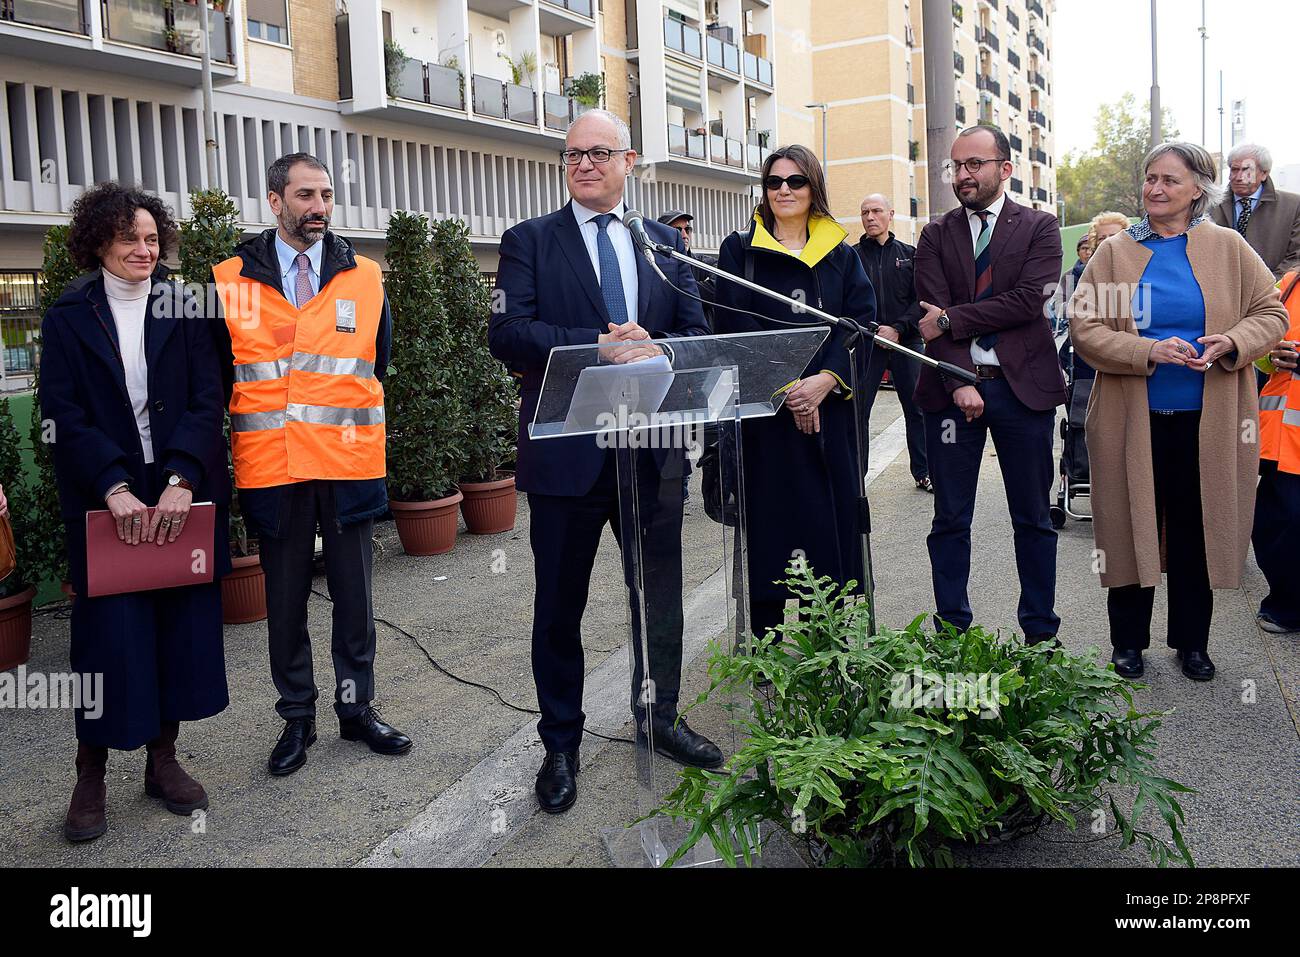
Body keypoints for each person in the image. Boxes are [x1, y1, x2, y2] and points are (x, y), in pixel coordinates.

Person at [489, 110, 721, 815]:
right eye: (572, 154)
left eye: (599, 152)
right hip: (567, 459)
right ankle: (560, 742)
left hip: (650, 455)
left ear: (630, 161)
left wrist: (659, 346)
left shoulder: (661, 244)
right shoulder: (529, 240)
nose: (584, 163)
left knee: (660, 599)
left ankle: (660, 714)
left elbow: (697, 332)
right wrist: (597, 343)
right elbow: (507, 333)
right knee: (560, 605)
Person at [40, 182, 230, 842]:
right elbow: (61, 415)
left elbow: (212, 397)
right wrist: (114, 486)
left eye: (152, 238)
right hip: (105, 496)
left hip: (176, 487)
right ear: (100, 243)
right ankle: (89, 773)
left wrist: (183, 475)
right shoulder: (68, 314)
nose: (145, 250)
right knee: (107, 639)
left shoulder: (187, 304)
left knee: (176, 630)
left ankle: (163, 759)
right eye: (130, 239)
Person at [211, 153, 411, 776]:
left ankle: (356, 712)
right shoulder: (229, 279)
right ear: (274, 202)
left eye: (325, 194)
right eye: (305, 195)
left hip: (348, 462)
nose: (319, 206)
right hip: (273, 466)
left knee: (355, 597)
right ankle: (297, 718)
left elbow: (379, 360)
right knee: (287, 600)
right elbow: (220, 378)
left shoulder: (367, 276)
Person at [1069, 142, 1287, 681]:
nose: (1155, 189)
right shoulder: (1116, 250)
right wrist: (1147, 350)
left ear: (1198, 190)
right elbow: (1085, 328)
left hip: (1208, 423)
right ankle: (1128, 643)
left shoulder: (1229, 247)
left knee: (1195, 529)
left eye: (1169, 180)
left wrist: (1231, 342)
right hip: (1130, 419)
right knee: (1128, 527)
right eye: (1150, 178)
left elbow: (1272, 313)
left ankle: (1193, 643)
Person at [713, 145, 876, 644]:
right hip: (767, 421)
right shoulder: (739, 251)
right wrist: (789, 390)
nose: (784, 189)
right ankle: (767, 648)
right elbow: (731, 328)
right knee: (771, 531)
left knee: (828, 529)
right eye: (775, 181)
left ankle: (824, 644)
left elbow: (860, 325)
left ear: (813, 189)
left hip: (829, 420)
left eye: (796, 181)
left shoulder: (841, 255)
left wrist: (825, 381)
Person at [913, 124, 1067, 643]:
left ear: (1005, 168)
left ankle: (1040, 634)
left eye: (974, 164)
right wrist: (959, 379)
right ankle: (953, 631)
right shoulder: (935, 234)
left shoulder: (1040, 228)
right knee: (950, 518)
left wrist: (953, 319)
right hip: (954, 393)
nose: (963, 175)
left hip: (1023, 391)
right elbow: (926, 312)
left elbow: (1030, 300)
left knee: (1033, 518)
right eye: (956, 166)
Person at [856, 193, 928, 491]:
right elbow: (849, 302)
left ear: (891, 214)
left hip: (907, 342)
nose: (870, 217)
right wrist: (872, 331)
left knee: (918, 409)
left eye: (876, 211)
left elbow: (921, 300)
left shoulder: (911, 254)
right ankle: (854, 477)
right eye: (864, 212)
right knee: (858, 411)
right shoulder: (852, 256)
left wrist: (898, 328)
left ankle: (924, 472)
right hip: (867, 345)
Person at [1251, 270, 1300, 635]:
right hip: (1280, 434)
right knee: (1274, 522)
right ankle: (1284, 602)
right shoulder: (1291, 282)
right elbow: (1259, 351)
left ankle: (1287, 606)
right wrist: (1271, 353)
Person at [1209, 143, 1300, 279]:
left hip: (1273, 292)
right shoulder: (1210, 205)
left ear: (1264, 173)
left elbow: (1296, 256)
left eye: (1247, 170)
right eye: (1234, 169)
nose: (1239, 177)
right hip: (1222, 292)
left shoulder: (1293, 206)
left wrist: (1269, 286)